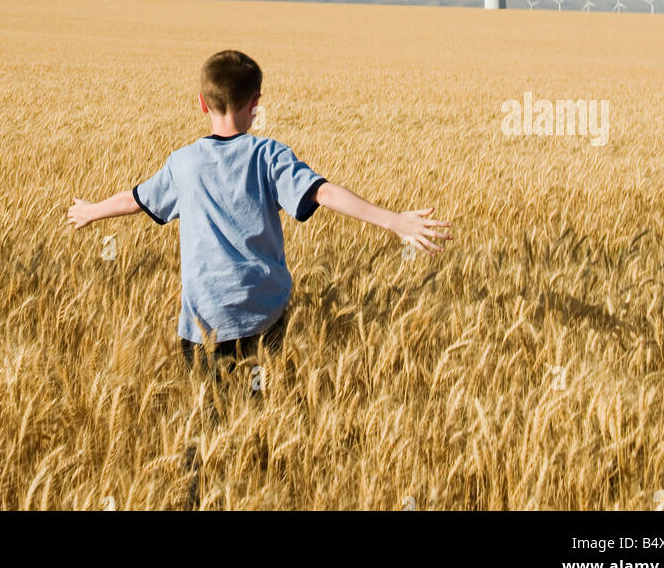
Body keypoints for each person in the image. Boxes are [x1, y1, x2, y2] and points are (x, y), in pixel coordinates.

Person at [67, 49, 452, 365]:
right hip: (263, 314)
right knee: (258, 403)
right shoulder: (268, 155)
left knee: (208, 415)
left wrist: (89, 211)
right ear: (256, 104)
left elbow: (134, 201)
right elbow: (325, 192)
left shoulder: (182, 163)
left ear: (202, 103)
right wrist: (395, 221)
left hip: (204, 320)